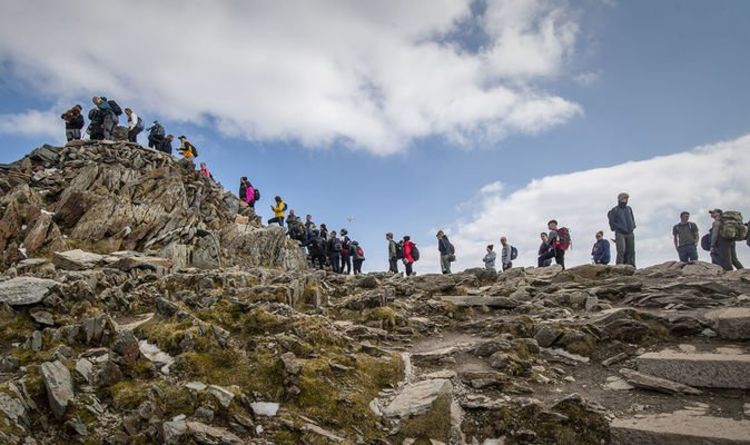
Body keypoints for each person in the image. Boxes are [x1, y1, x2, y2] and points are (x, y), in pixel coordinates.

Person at [608, 192, 636, 267]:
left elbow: (632, 219)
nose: (625, 200)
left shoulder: (629, 209)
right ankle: (619, 267)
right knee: (621, 251)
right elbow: (612, 223)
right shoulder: (615, 210)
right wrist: (619, 227)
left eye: (626, 198)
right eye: (623, 198)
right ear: (619, 199)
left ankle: (632, 267)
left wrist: (633, 226)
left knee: (631, 251)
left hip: (630, 232)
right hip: (620, 233)